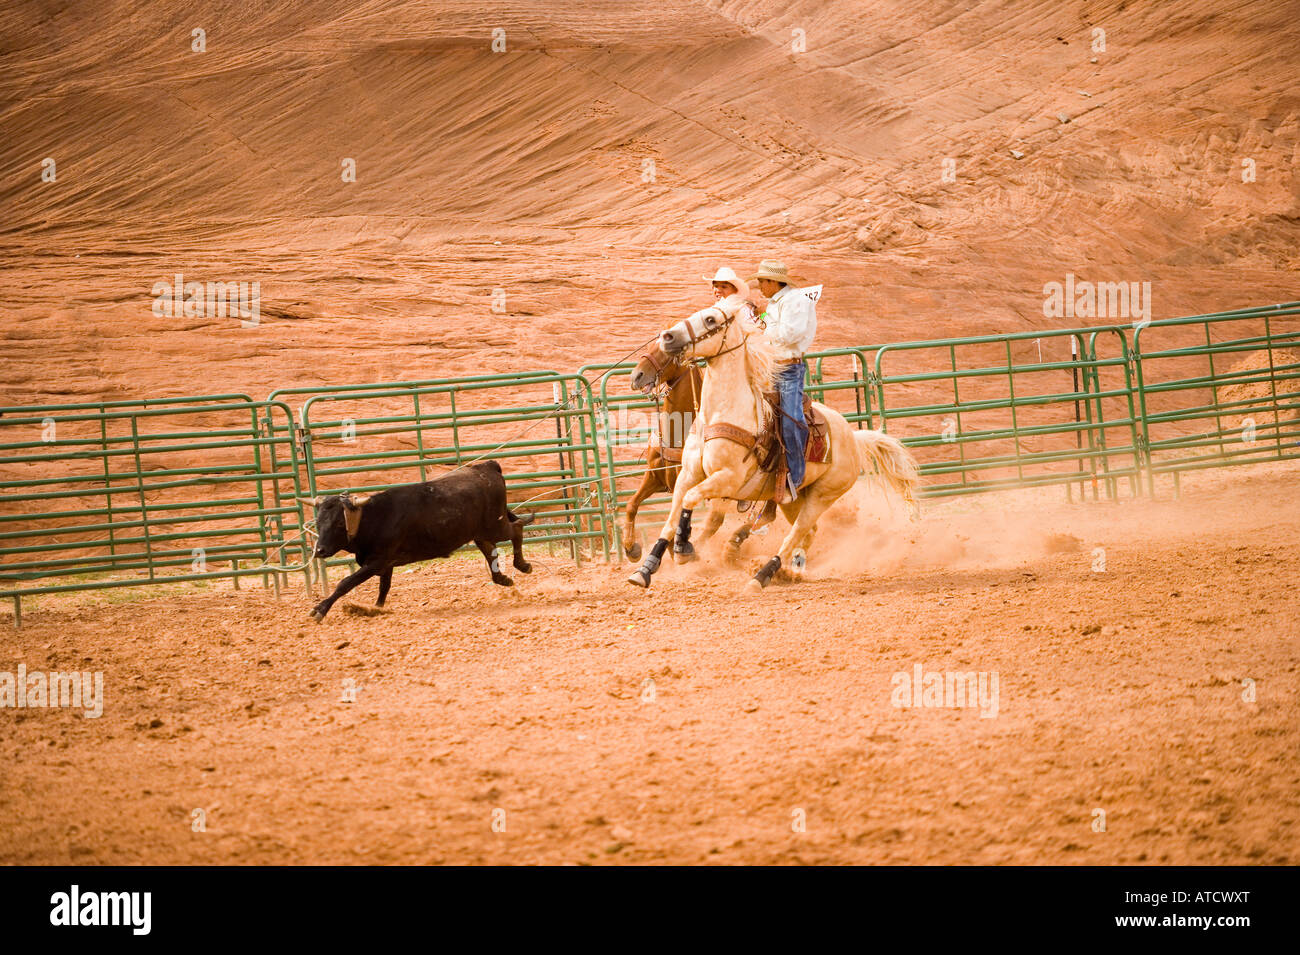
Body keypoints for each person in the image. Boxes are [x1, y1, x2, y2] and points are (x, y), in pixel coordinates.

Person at [750, 260, 816, 502]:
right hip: (772, 367)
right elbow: (773, 330)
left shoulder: (795, 301)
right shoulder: (776, 303)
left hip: (789, 369)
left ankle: (796, 478)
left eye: (761, 282)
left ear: (773, 282)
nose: (759, 287)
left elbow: (790, 334)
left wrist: (763, 329)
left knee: (790, 420)